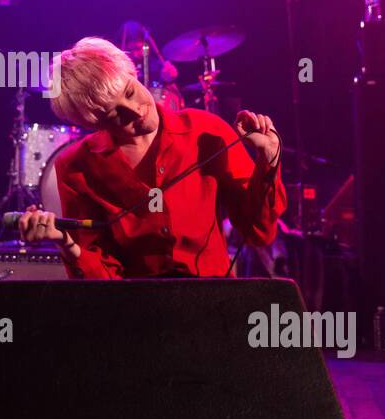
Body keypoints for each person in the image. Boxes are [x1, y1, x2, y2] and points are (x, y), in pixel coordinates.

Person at [17, 37, 286, 278]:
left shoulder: (206, 130)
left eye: (131, 91)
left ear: (133, 73)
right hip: (137, 313)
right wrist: (67, 244)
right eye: (116, 115)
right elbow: (101, 280)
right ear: (94, 124)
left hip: (214, 304)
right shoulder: (76, 168)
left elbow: (258, 232)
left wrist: (269, 157)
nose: (135, 110)